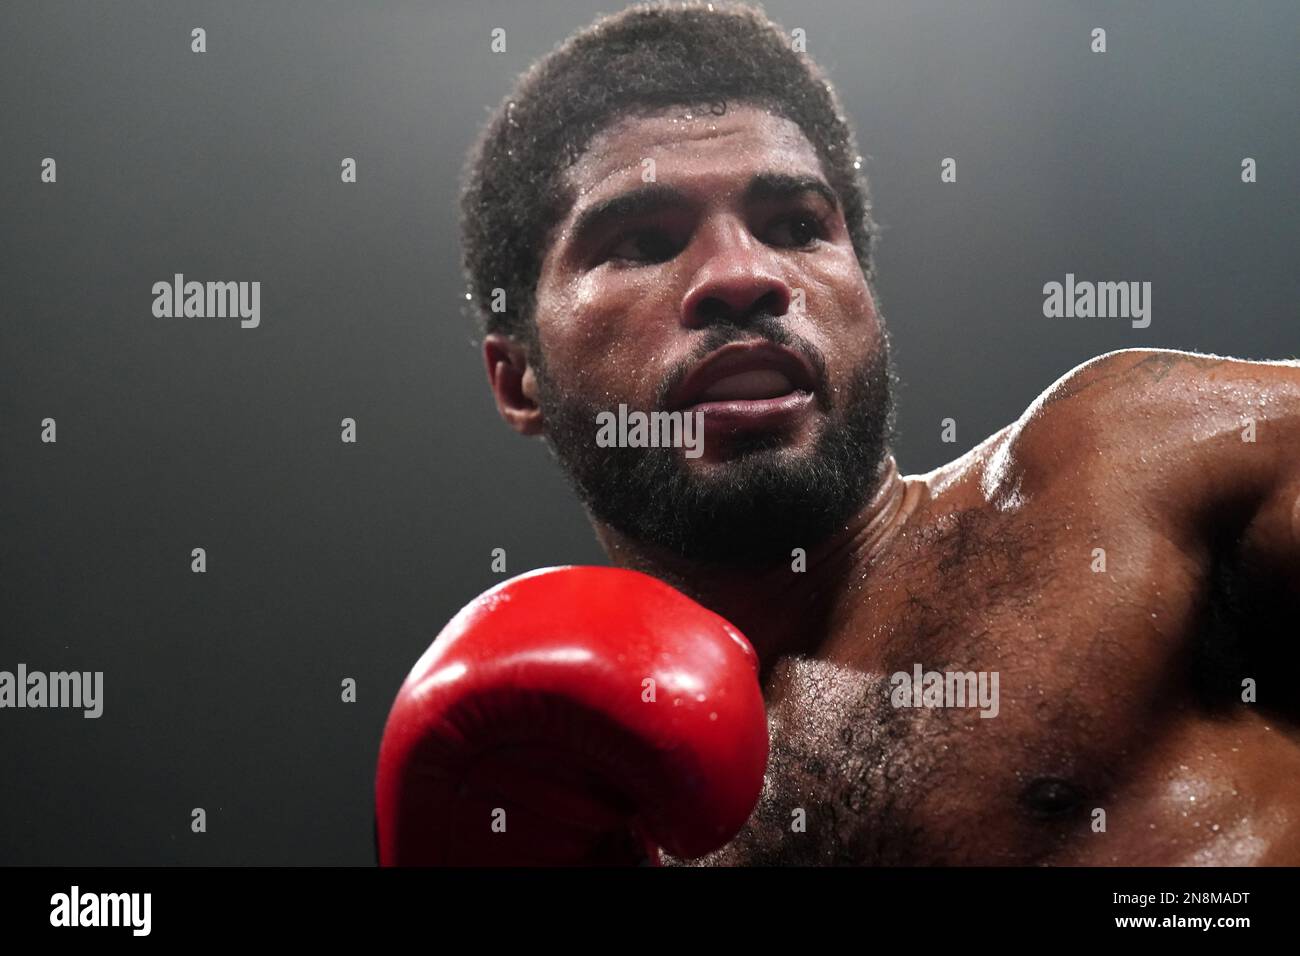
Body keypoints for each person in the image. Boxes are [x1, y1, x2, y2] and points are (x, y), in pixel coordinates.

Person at [379, 1, 1300, 865]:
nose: (743, 275)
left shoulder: (1128, 468)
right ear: (519, 376)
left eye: (794, 226)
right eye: (645, 241)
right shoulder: (570, 799)